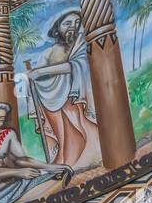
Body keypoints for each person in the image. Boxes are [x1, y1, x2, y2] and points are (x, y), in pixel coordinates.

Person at [25, 10, 101, 170]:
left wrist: (40, 72)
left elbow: (79, 65)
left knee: (81, 125)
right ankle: (67, 162)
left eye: (76, 23)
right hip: (49, 100)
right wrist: (32, 76)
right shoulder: (48, 52)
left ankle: (92, 155)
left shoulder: (79, 43)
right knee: (63, 135)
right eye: (67, 23)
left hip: (73, 96)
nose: (72, 27)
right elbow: (35, 76)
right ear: (57, 27)